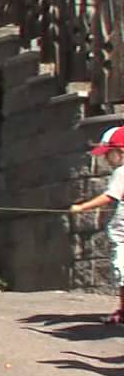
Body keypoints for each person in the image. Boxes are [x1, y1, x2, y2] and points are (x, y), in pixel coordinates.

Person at [70, 126, 124, 323]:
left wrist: (82, 207)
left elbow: (110, 196)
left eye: (109, 154)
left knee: (122, 271)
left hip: (123, 236)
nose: (106, 159)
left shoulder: (121, 173)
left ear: (121, 152)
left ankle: (123, 310)